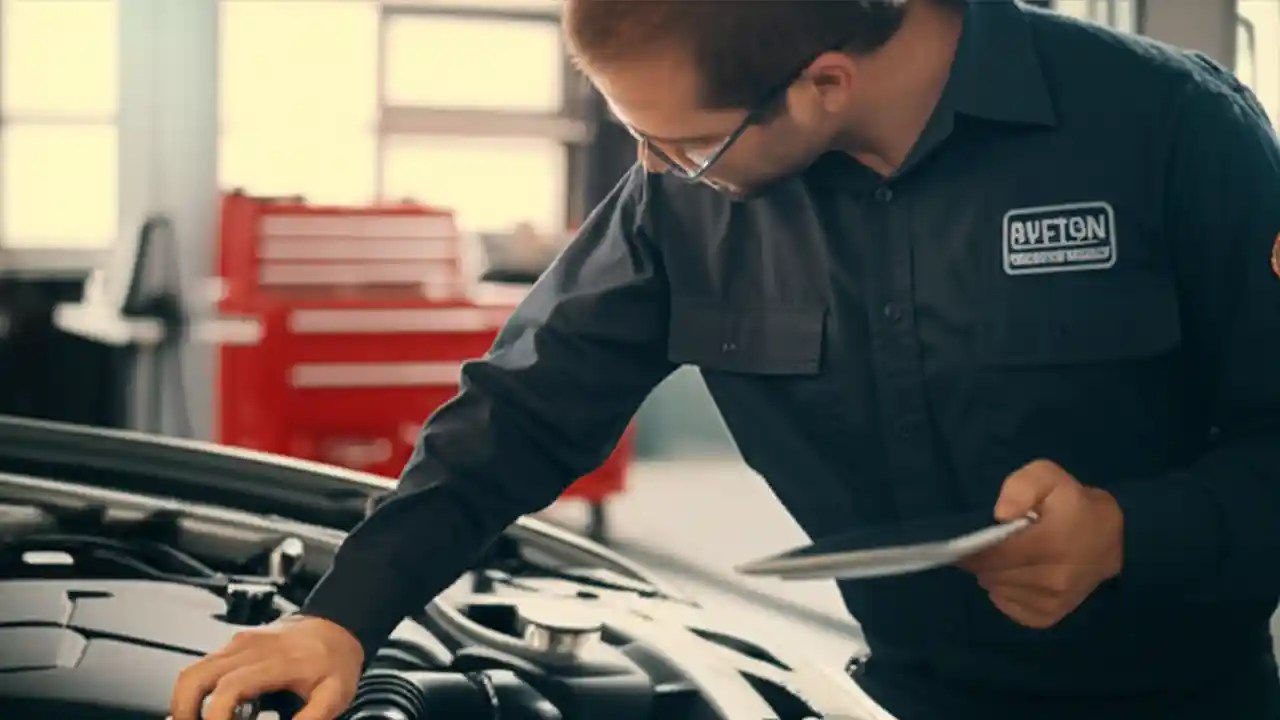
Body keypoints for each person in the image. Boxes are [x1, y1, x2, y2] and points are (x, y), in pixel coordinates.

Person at [170, 1, 1280, 718]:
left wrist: (1133, 533)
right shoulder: (682, 193)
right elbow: (520, 411)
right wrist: (340, 616)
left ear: (825, 84)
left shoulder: (1169, 129)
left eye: (681, 144)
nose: (652, 171)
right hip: (898, 700)